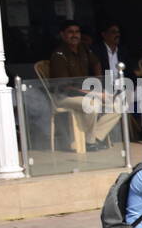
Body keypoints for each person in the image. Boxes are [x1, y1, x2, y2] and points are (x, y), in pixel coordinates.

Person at [47, 20, 120, 150]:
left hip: (85, 94)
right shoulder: (59, 55)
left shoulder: (84, 49)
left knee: (117, 105)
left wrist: (99, 87)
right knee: (92, 105)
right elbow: (66, 87)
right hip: (63, 97)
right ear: (62, 35)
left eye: (77, 32)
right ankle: (89, 142)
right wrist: (95, 94)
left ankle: (96, 137)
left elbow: (96, 63)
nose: (74, 35)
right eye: (70, 32)